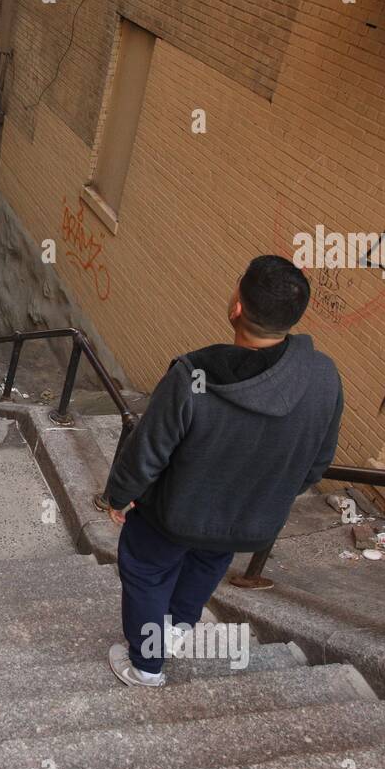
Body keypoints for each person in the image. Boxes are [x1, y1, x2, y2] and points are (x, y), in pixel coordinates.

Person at [103, 255, 343, 687]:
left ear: (237, 308)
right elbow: (317, 462)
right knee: (207, 562)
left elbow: (148, 451)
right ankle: (177, 628)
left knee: (146, 570)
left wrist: (120, 495)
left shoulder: (194, 376)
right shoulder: (324, 376)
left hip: (173, 516)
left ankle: (146, 665)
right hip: (247, 521)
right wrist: (266, 494)